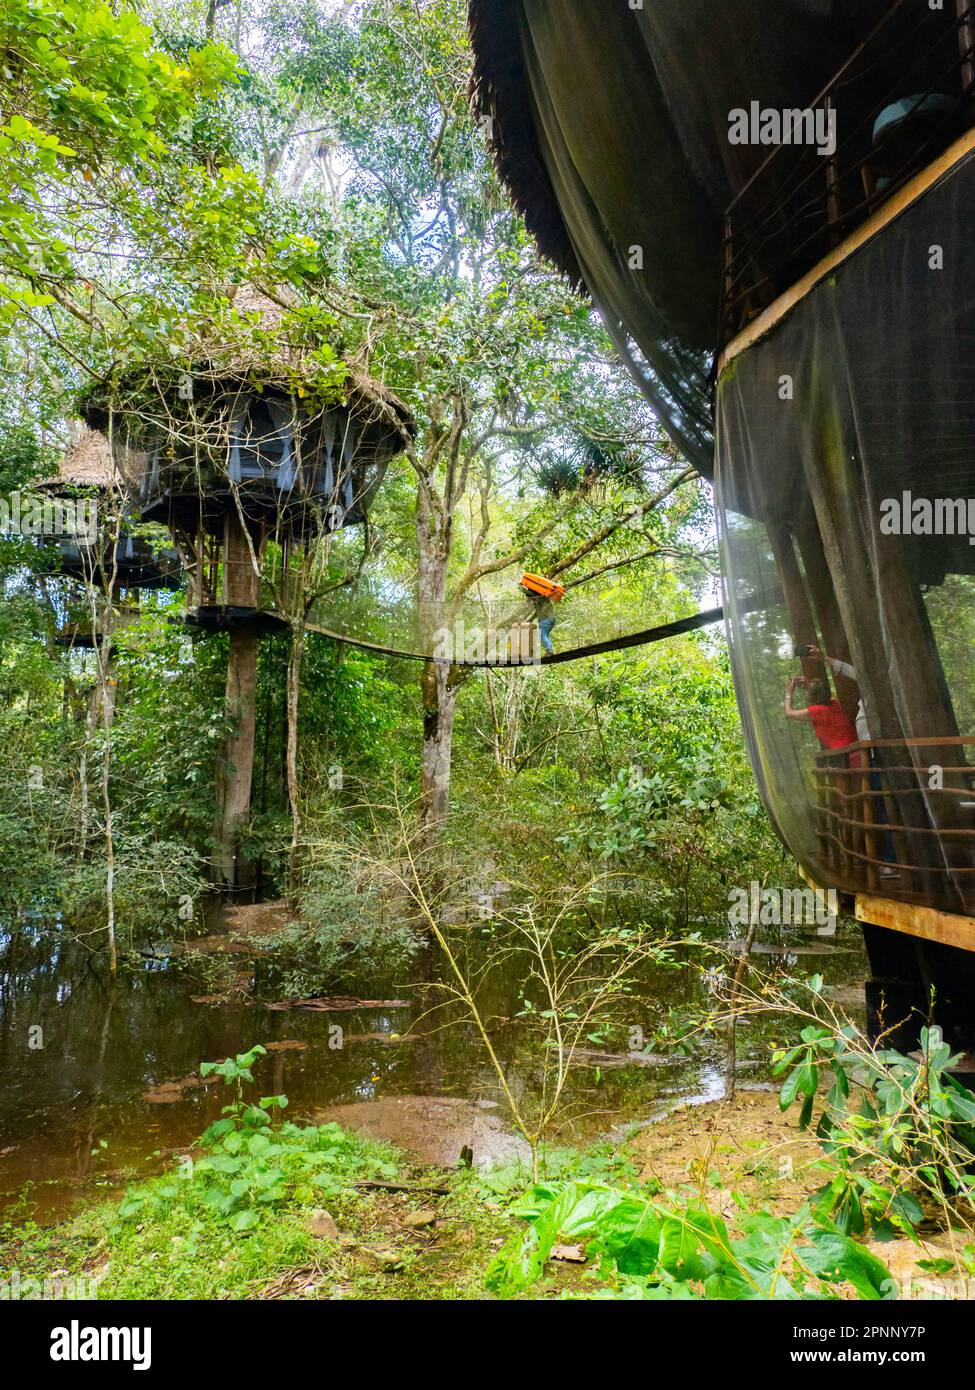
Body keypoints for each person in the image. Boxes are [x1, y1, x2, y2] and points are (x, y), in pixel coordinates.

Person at [785, 675, 858, 751]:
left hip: (844, 754)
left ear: (812, 695)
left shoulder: (817, 711)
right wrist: (808, 687)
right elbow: (822, 695)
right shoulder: (835, 703)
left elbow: (789, 713)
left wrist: (788, 694)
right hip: (856, 748)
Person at [522, 588, 557, 655]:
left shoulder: (542, 598)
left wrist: (521, 588)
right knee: (546, 635)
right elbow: (536, 613)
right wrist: (529, 620)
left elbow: (531, 593)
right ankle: (550, 650)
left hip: (546, 620)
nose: (530, 599)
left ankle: (549, 650)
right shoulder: (537, 602)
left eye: (530, 597)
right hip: (549, 620)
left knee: (542, 635)